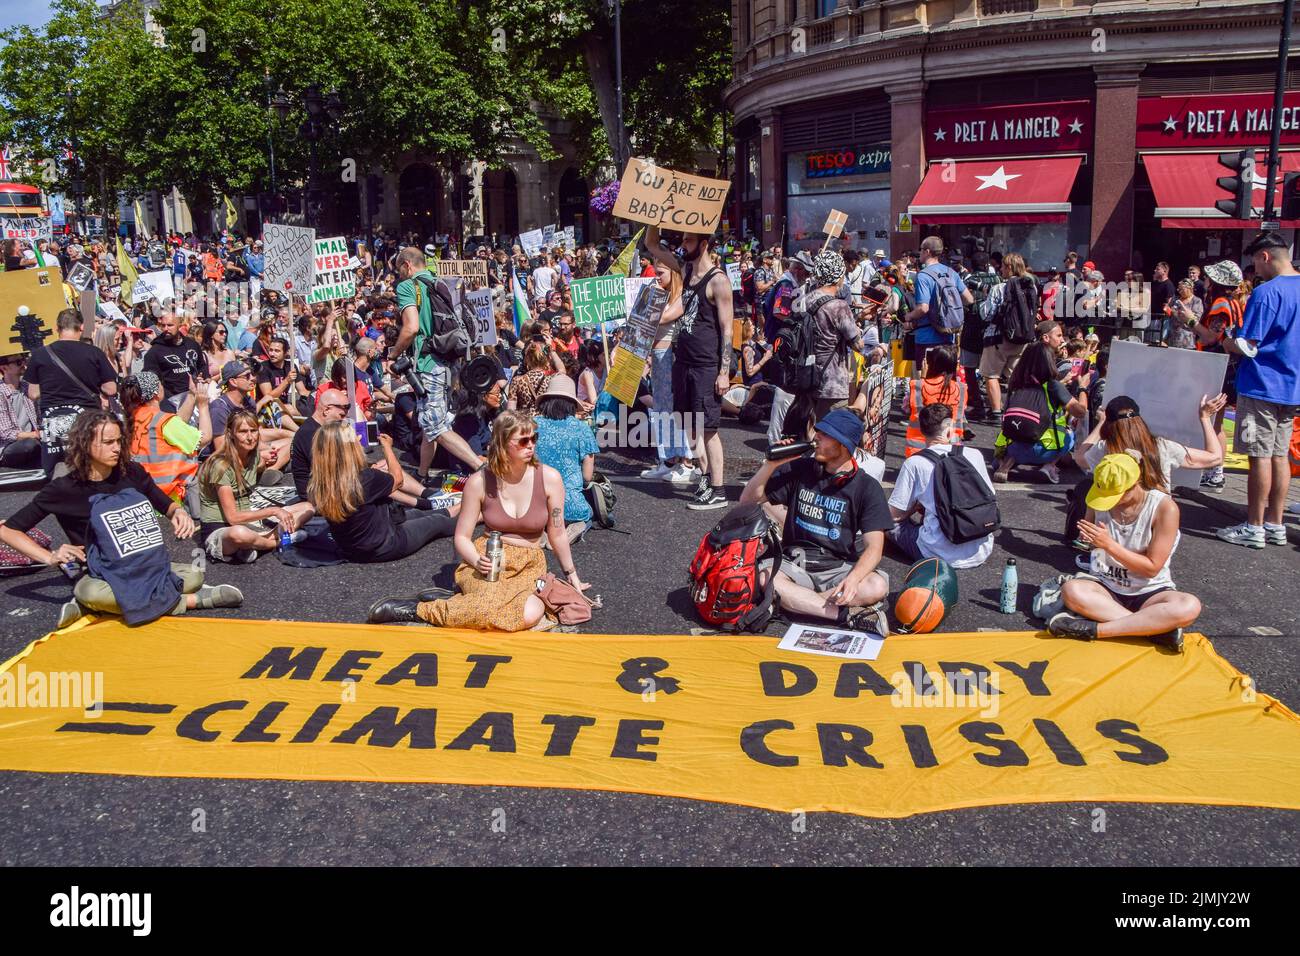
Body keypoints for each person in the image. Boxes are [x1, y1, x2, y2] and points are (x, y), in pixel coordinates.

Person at [0, 410, 241, 628]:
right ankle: (188, 601)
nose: (116, 448)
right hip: (102, 575)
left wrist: (179, 513)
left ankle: (99, 608)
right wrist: (49, 557)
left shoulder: (131, 472)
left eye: (118, 441)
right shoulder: (64, 489)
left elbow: (165, 504)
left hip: (145, 566)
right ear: (84, 445)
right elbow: (8, 530)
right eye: (107, 442)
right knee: (90, 590)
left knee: (195, 574)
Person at [366, 411, 591, 630]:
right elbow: (462, 537)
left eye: (534, 438)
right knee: (488, 605)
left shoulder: (550, 478)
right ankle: (416, 609)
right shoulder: (479, 482)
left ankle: (452, 602)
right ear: (503, 443)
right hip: (487, 558)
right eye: (523, 441)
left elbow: (558, 532)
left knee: (529, 614)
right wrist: (475, 559)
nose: (531, 445)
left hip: (529, 564)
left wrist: (572, 576)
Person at [739, 408, 892, 634]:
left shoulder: (867, 487)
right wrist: (770, 465)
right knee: (765, 578)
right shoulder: (801, 469)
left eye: (825, 434)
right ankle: (844, 614)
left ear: (844, 445)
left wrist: (853, 579)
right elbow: (747, 502)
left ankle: (795, 603)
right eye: (818, 431)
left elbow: (874, 547)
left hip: (837, 567)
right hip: (795, 562)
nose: (816, 437)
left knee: (877, 585)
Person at [1049, 453, 1199, 652]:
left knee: (1189, 605)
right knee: (1072, 590)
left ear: (1135, 482)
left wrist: (1109, 545)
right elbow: (1092, 547)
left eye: (1115, 495)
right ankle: (1153, 630)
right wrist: (1090, 543)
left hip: (1149, 591)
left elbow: (1152, 568)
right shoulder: (1096, 497)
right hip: (1107, 586)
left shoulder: (1164, 508)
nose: (1110, 502)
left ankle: (1096, 630)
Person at [1216, 232, 1300, 549]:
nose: (1254, 269)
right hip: (1292, 386)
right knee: (1280, 456)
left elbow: (1247, 344)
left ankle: (1254, 526)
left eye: (1254, 261)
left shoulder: (1266, 293)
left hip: (1262, 384)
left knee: (1258, 457)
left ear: (1265, 256)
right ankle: (1276, 524)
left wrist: (1226, 340)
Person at [1067, 393, 1225, 550]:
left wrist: (1101, 422)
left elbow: (1080, 457)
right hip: (1157, 532)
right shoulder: (1163, 447)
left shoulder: (1105, 448)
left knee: (1089, 487)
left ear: (1110, 423)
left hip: (1116, 534)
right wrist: (1205, 417)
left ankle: (1089, 542)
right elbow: (1215, 457)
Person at [391, 246, 484, 481]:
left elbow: (411, 327)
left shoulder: (407, 286)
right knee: (430, 425)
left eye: (399, 271)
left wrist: (393, 354)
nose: (399, 276)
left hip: (428, 363)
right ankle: (422, 474)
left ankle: (480, 467)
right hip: (448, 362)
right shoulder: (441, 283)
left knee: (436, 427)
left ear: (407, 266)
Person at [307, 421, 455, 563]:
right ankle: (476, 513)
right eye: (355, 437)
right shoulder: (365, 478)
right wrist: (387, 448)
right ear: (347, 449)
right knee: (437, 521)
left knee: (418, 514)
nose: (359, 438)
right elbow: (398, 480)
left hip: (351, 548)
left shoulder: (319, 483)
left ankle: (463, 504)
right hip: (385, 545)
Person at [197, 408, 315, 563]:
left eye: (253, 431)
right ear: (231, 433)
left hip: (248, 521)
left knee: (308, 508)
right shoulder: (221, 466)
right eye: (243, 432)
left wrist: (263, 465)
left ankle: (253, 546)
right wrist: (273, 510)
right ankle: (276, 542)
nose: (249, 437)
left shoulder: (253, 457)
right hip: (222, 529)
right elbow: (232, 518)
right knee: (239, 534)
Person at [889, 403, 996, 568]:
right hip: (980, 550)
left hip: (936, 554)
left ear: (922, 431)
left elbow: (894, 515)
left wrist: (915, 507)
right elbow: (991, 497)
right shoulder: (975, 455)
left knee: (889, 523)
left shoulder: (915, 463)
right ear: (949, 429)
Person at [671, 231, 734, 511]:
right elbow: (652, 248)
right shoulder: (685, 271)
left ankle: (719, 490)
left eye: (689, 241)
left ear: (703, 244)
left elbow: (727, 329)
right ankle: (707, 477)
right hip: (683, 361)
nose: (684, 245)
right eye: (683, 240)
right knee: (688, 424)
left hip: (707, 365)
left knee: (708, 429)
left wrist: (724, 372)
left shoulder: (718, 281)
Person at [22, 308, 117, 474]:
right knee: (91, 464)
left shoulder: (40, 354)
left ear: (57, 328)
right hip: (87, 417)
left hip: (53, 420)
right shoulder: (94, 352)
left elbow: (33, 394)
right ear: (81, 327)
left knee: (58, 468)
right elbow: (111, 388)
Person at [992, 340, 1087, 484]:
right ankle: (1049, 466)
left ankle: (1005, 464)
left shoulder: (1015, 382)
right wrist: (1083, 388)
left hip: (1011, 448)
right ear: (1049, 361)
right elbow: (1080, 412)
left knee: (1020, 435)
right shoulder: (1053, 386)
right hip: (1043, 451)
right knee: (1069, 434)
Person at [1192, 260, 1245, 491]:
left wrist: (1189, 319)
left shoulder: (1221, 303)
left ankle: (1215, 471)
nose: (1206, 281)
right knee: (1217, 421)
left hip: (1217, 368)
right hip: (1227, 367)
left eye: (1209, 278)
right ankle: (1215, 471)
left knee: (1213, 421)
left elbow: (1210, 338)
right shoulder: (1233, 302)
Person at [122, 371, 212, 507]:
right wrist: (203, 405)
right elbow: (204, 439)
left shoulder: (133, 419)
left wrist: (192, 394)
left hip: (143, 497)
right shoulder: (163, 421)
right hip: (168, 499)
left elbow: (177, 425)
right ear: (156, 393)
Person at [534, 375, 600, 543]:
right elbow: (586, 476)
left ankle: (539, 531)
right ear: (572, 403)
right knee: (586, 514)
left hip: (533, 505)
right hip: (569, 506)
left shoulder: (531, 425)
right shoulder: (582, 429)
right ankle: (574, 526)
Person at [978, 252, 1038, 424]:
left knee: (992, 375)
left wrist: (983, 299)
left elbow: (987, 314)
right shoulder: (1030, 286)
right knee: (1016, 376)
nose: (1000, 269)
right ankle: (1016, 410)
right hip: (1022, 339)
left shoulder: (1000, 288)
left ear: (1009, 267)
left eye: (1003, 266)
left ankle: (996, 412)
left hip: (998, 337)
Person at [903, 236, 974, 374]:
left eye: (921, 250)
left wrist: (909, 316)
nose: (920, 253)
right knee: (947, 380)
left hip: (926, 337)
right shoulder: (951, 272)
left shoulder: (923, 276)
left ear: (927, 251)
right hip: (948, 336)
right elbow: (969, 299)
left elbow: (923, 308)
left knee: (926, 381)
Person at [207, 360, 293, 460]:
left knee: (294, 441)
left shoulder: (248, 401)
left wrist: (269, 448)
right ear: (233, 382)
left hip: (248, 447)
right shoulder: (219, 408)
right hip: (228, 459)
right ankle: (270, 472)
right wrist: (260, 455)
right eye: (247, 376)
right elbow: (221, 449)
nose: (253, 378)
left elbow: (256, 435)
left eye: (253, 374)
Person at [902, 344, 966, 457]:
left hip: (918, 450)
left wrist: (922, 377)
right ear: (954, 366)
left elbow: (906, 408)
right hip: (951, 449)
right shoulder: (961, 389)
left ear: (930, 364)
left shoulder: (918, 386)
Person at [142, 310, 206, 408]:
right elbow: (150, 378)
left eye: (170, 325)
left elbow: (202, 366)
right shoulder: (155, 351)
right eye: (163, 326)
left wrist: (203, 376)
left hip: (195, 395)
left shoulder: (192, 345)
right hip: (171, 401)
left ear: (180, 325)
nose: (166, 329)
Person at [0, 353, 40, 469]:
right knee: (30, 445)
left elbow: (39, 419)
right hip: (8, 446)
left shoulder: (27, 388)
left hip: (32, 440)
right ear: (4, 368)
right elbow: (6, 433)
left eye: (23, 360)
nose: (23, 364)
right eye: (18, 362)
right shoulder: (1, 393)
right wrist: (35, 435)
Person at [1166, 279, 1203, 348]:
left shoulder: (1196, 301)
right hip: (1172, 337)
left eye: (1181, 289)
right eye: (1178, 289)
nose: (1179, 291)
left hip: (1187, 339)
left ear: (1189, 289)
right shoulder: (1176, 299)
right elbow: (1170, 313)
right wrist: (1168, 310)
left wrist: (1177, 314)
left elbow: (1195, 320)